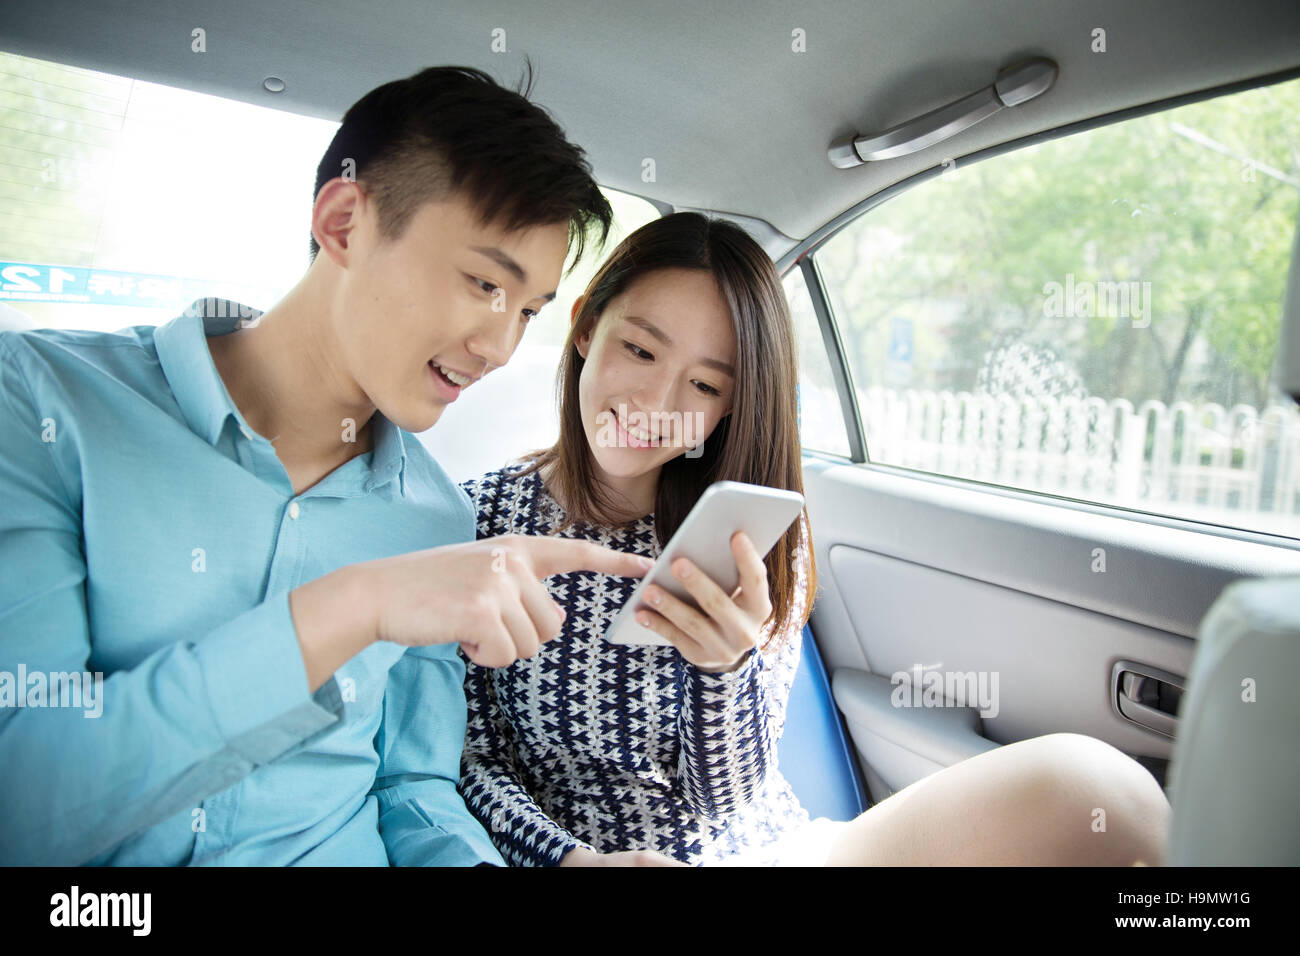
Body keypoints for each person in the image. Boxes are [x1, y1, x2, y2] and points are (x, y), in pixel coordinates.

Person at [0, 65, 654, 866]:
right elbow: (23, 803)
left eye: (526, 312)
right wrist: (354, 605)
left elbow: (410, 792)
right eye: (484, 283)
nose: (500, 348)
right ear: (344, 223)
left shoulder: (434, 518)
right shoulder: (40, 401)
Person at [457, 212, 1172, 866]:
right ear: (585, 327)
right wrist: (568, 860)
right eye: (640, 350)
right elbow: (467, 761)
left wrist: (724, 671)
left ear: (733, 406)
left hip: (774, 851)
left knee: (1101, 791)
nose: (658, 405)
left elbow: (729, 800)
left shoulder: (741, 534)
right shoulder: (473, 520)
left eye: (705, 387)